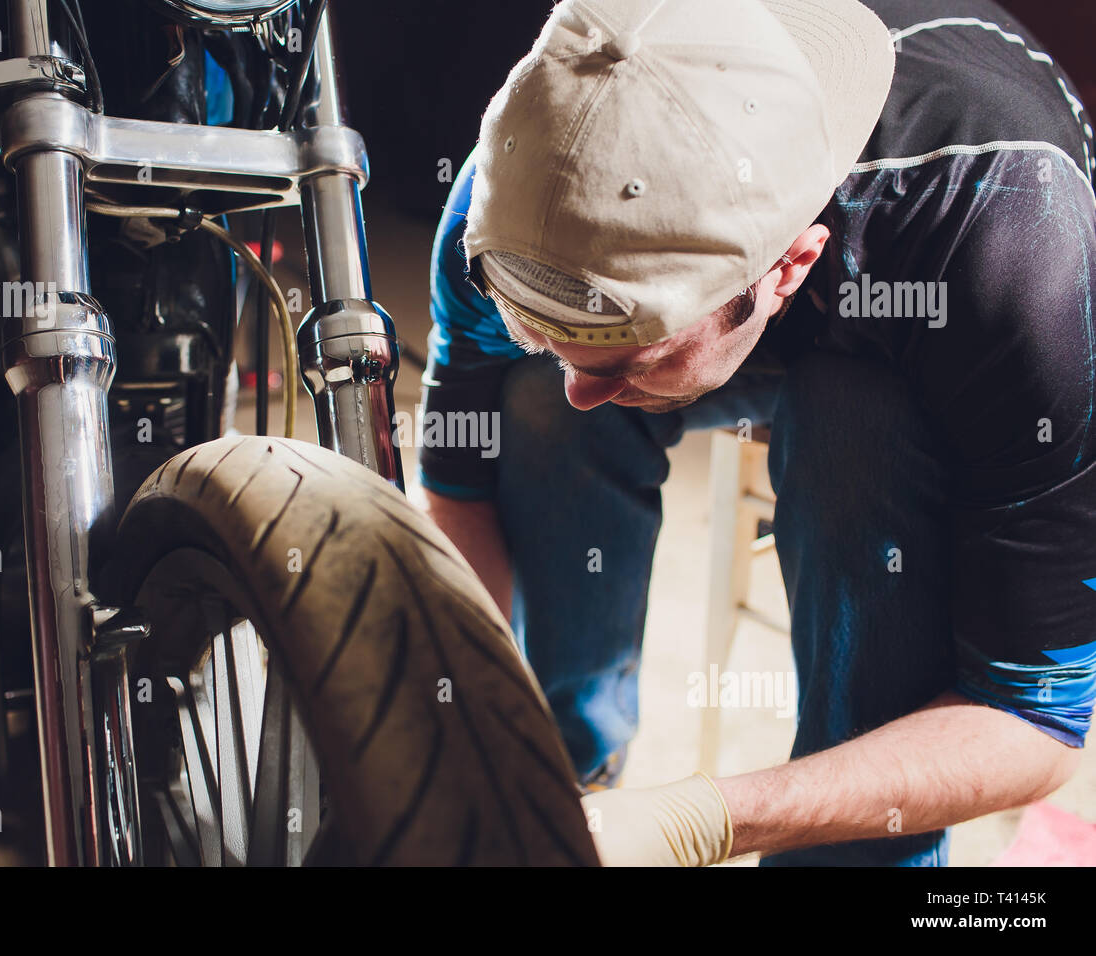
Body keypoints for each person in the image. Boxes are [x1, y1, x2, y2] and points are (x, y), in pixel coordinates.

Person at [419, 0, 1096, 865]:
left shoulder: (1005, 242)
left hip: (917, 338)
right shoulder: (525, 192)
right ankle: (559, 774)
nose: (588, 389)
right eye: (547, 336)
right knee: (537, 405)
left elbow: (1033, 718)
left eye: (628, 357)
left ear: (791, 267)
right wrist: (480, 730)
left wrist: (698, 821)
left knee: (851, 428)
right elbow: (459, 492)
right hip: (765, 307)